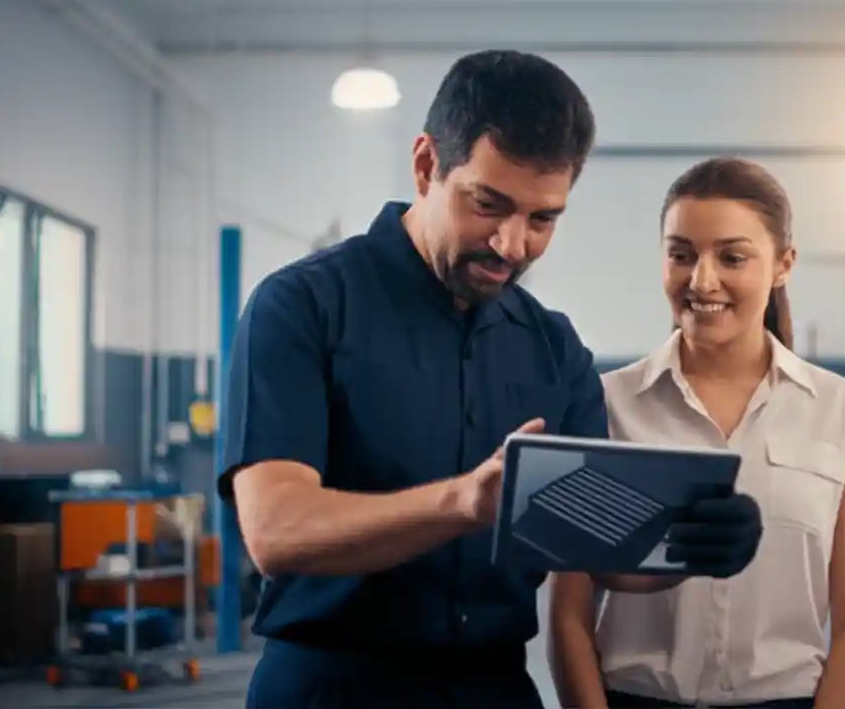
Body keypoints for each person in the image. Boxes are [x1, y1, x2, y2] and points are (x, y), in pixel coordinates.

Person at [218, 51, 763, 709]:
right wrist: (464, 504)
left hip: (495, 688)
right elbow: (277, 531)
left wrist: (693, 540)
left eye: (543, 219)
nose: (512, 244)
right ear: (426, 166)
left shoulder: (554, 348)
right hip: (330, 688)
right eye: (488, 204)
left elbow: (601, 552)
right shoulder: (302, 306)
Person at [550, 158, 845, 709]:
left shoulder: (844, 412)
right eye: (681, 254)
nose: (701, 280)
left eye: (732, 256)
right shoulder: (607, 405)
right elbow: (569, 610)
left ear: (783, 264)